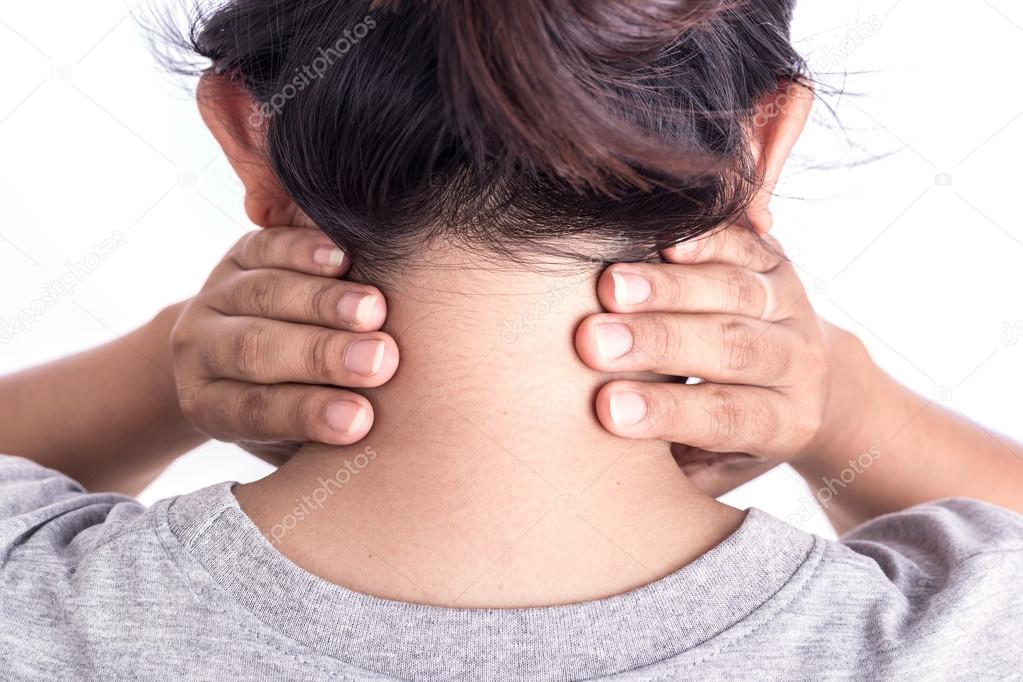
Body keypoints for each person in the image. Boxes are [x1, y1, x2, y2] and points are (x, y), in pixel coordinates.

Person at [2, 0, 1023, 679]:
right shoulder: (967, 637)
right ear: (759, 145)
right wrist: (846, 411)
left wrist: (163, 369)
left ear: (244, 127)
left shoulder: (31, 601)